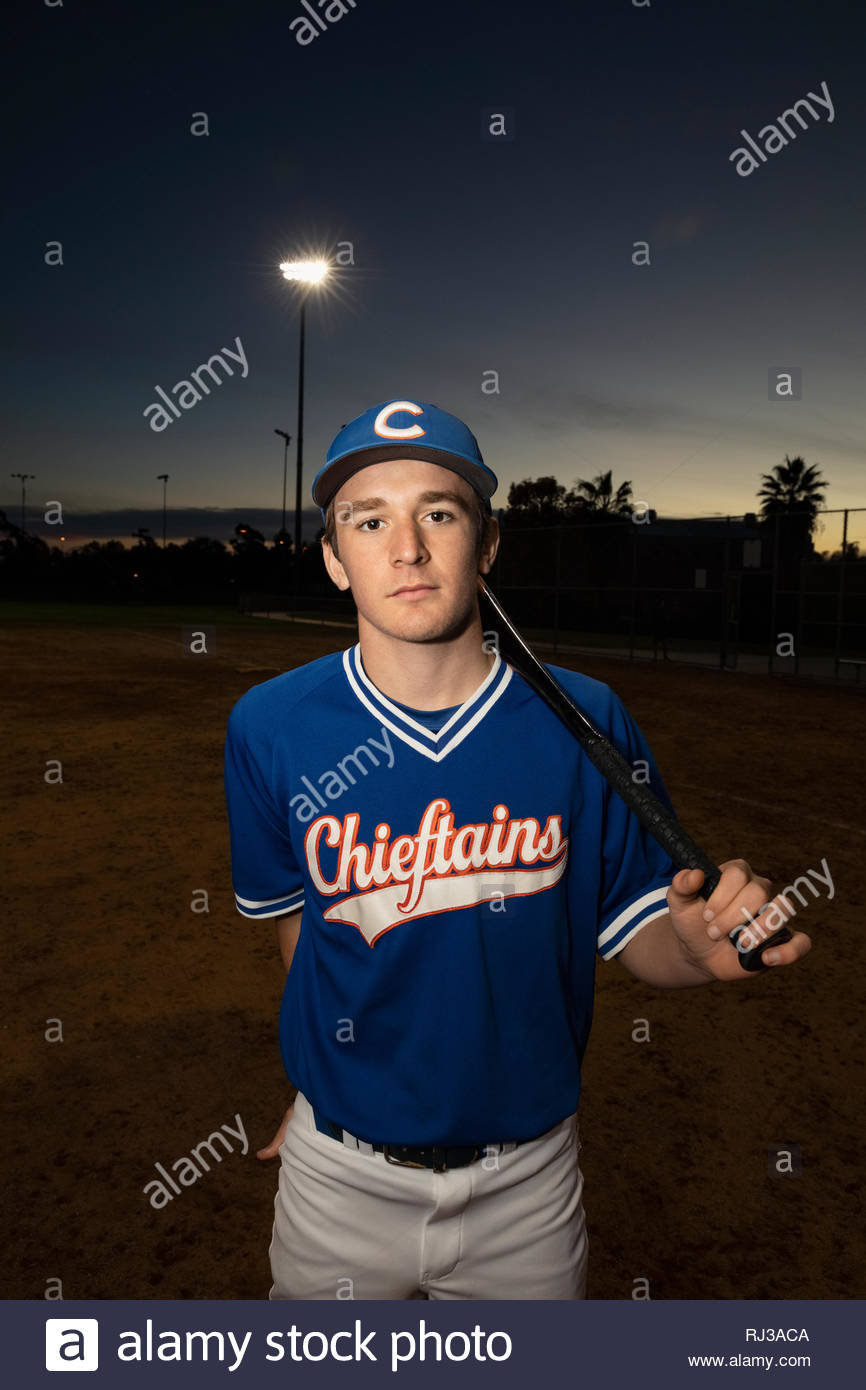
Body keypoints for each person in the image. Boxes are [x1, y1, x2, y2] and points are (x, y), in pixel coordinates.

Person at [224, 399, 810, 1301]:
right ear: (336, 559)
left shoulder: (587, 718)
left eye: (440, 513)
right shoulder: (270, 724)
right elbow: (307, 931)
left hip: (527, 1189)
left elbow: (643, 929)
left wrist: (691, 950)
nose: (407, 547)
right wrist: (326, 1079)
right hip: (335, 1180)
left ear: (487, 545)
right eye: (369, 520)